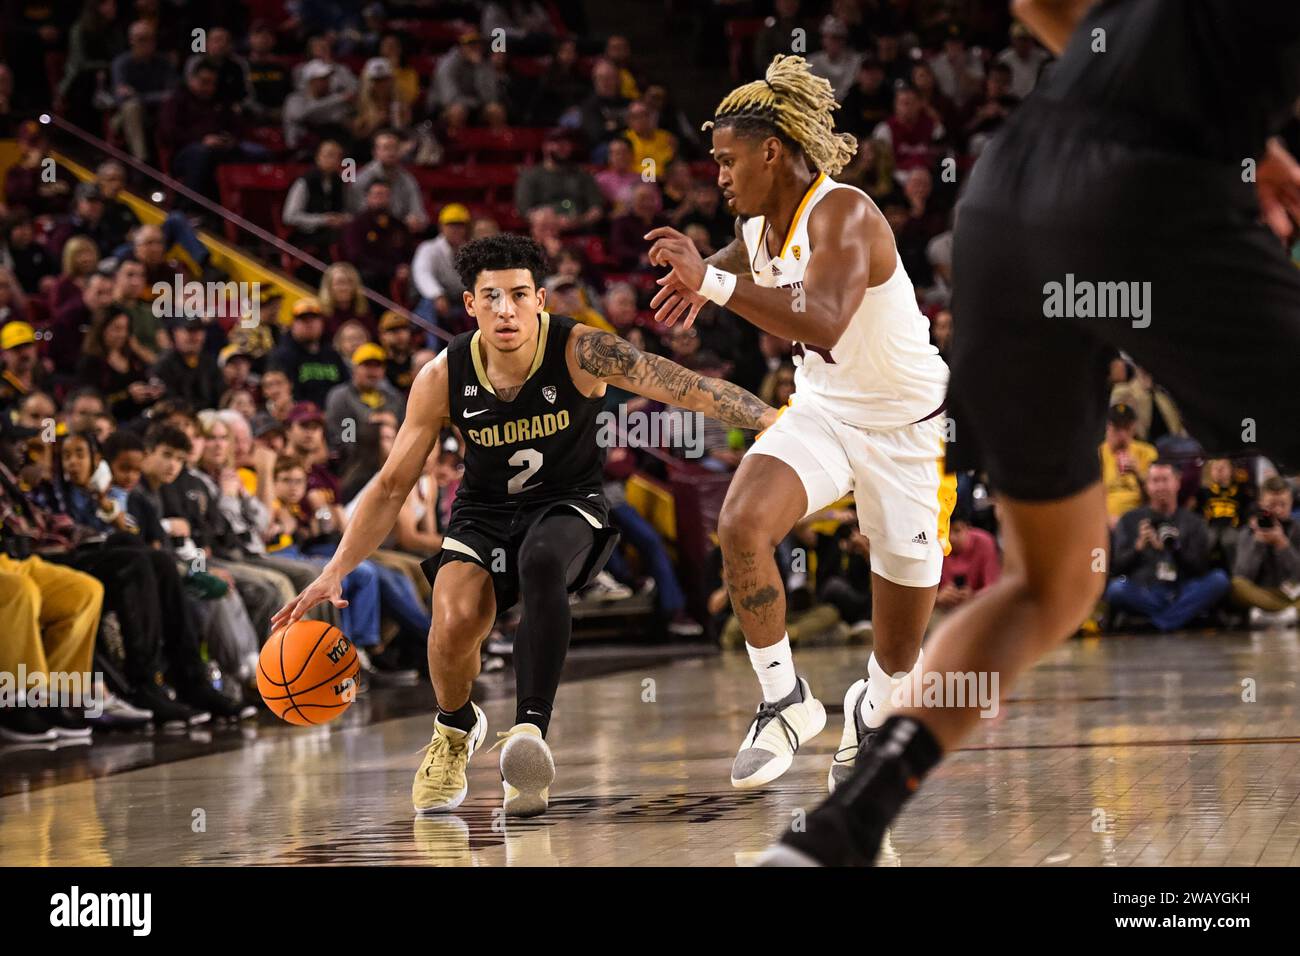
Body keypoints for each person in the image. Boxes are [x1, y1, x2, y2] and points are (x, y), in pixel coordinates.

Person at [762, 0, 1300, 866]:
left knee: (1052, 582)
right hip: (1142, 197)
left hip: (1003, 203)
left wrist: (1235, 126)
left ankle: (837, 832)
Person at [273, 234, 778, 818]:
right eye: (491, 297)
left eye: (518, 295)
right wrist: (335, 569)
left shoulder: (582, 349)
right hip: (485, 510)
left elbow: (683, 385)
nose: (506, 309)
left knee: (541, 561)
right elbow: (390, 486)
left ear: (540, 299)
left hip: (568, 501)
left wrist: (773, 418)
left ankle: (528, 734)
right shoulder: (442, 375)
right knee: (454, 620)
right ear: (469, 305)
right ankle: (455, 728)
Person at [646, 55, 953, 792]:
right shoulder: (757, 232)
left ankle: (871, 709)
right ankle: (784, 700)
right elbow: (730, 267)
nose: (717, 176)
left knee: (900, 652)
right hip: (822, 411)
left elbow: (823, 318)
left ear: (772, 152)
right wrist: (697, 282)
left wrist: (713, 283)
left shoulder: (844, 212)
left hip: (907, 431)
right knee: (742, 525)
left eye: (727, 160)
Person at [1230, 475, 1300, 628]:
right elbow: (1243, 575)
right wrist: (1258, 543)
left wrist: (1283, 545)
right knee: (1236, 585)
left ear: (1291, 504)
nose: (1278, 510)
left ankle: (1272, 616)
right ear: (1261, 504)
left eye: (1283, 504)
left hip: (1292, 594)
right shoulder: (1248, 532)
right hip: (1261, 593)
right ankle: (1289, 615)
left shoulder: (1298, 530)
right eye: (1272, 505)